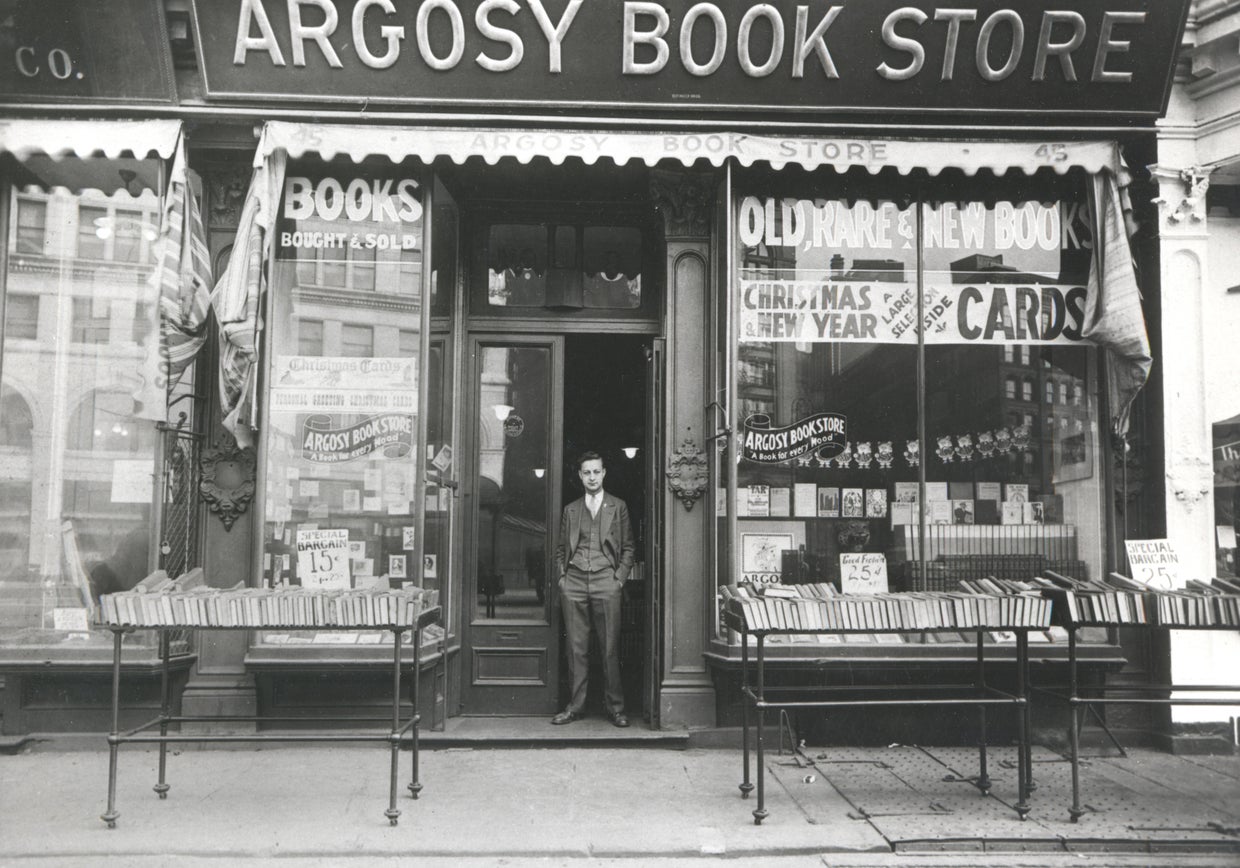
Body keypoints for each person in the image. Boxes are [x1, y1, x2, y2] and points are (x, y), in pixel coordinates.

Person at [552, 451, 635, 727]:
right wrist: (563, 579)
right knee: (576, 649)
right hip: (574, 581)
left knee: (609, 648)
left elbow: (629, 548)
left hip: (605, 582)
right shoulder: (571, 509)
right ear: (579, 476)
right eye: (586, 472)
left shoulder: (618, 506)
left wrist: (618, 579)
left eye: (596, 472)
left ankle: (616, 708)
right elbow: (562, 549)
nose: (591, 477)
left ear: (604, 473)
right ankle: (575, 707)